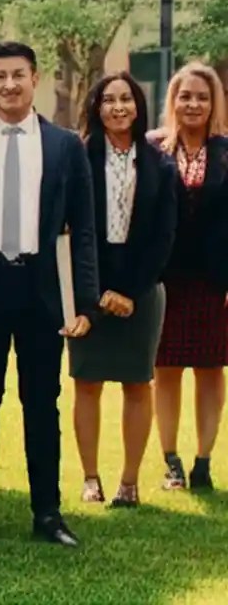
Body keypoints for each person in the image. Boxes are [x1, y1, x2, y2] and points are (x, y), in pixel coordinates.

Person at [0, 41, 98, 547]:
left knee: (41, 403)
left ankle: (47, 513)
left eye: (19, 75)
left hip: (41, 291)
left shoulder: (65, 146)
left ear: (35, 78)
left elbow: (84, 229)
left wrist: (84, 304)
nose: (9, 85)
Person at [69, 73, 177, 507]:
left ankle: (129, 482)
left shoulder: (160, 164)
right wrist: (94, 291)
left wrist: (130, 290)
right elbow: (73, 227)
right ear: (96, 107)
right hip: (87, 284)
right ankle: (91, 478)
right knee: (87, 382)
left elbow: (164, 235)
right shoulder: (78, 157)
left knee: (137, 383)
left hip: (142, 286)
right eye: (108, 99)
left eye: (126, 99)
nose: (117, 107)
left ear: (139, 106)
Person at [149, 62, 228, 491]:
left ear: (213, 102)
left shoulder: (227, 151)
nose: (193, 103)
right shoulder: (154, 149)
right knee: (167, 369)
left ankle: (203, 461)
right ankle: (171, 460)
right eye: (185, 96)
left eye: (202, 96)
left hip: (215, 282)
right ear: (173, 102)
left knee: (211, 368)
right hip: (165, 279)